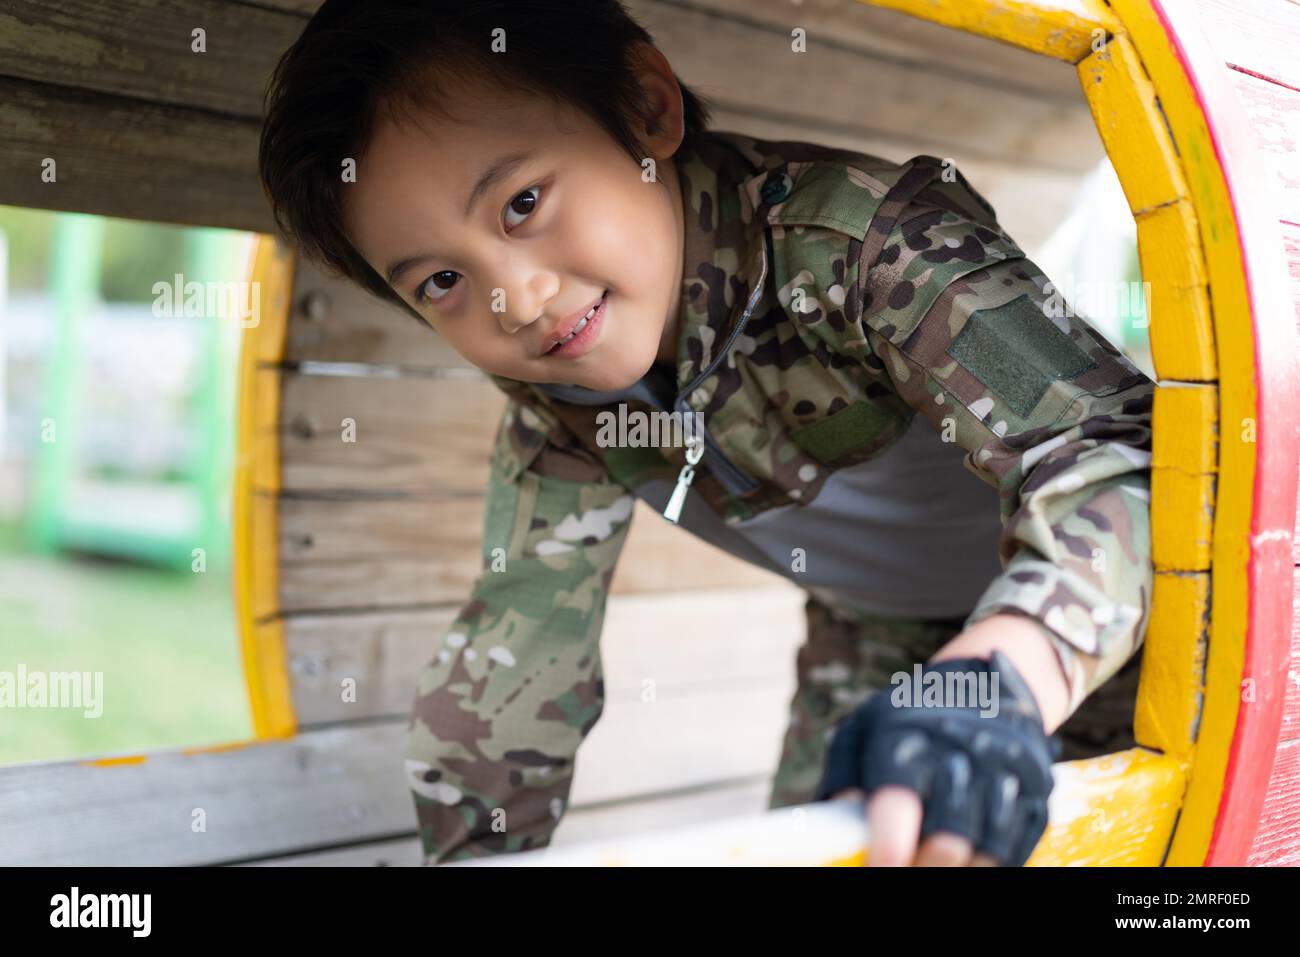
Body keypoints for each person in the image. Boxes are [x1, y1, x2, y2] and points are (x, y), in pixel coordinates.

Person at [257, 0, 1154, 867]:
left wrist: (995, 682)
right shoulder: (564, 408)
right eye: (444, 280)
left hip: (1124, 617)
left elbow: (1120, 459)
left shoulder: (865, 245)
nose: (516, 299)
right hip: (880, 643)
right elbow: (515, 658)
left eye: (523, 202)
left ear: (646, 105)